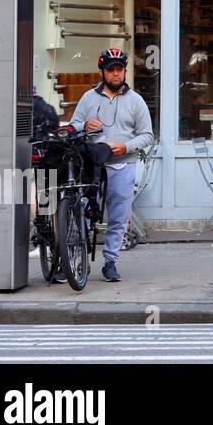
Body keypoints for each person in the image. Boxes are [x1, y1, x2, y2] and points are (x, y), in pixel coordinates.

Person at [65, 48, 154, 283]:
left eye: (120, 70)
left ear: (125, 71)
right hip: (91, 164)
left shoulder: (136, 101)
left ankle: (110, 262)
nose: (116, 74)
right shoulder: (88, 98)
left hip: (122, 164)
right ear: (103, 72)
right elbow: (72, 126)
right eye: (111, 70)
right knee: (81, 210)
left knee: (118, 217)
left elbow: (147, 135)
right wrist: (84, 125)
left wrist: (126, 147)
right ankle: (74, 259)